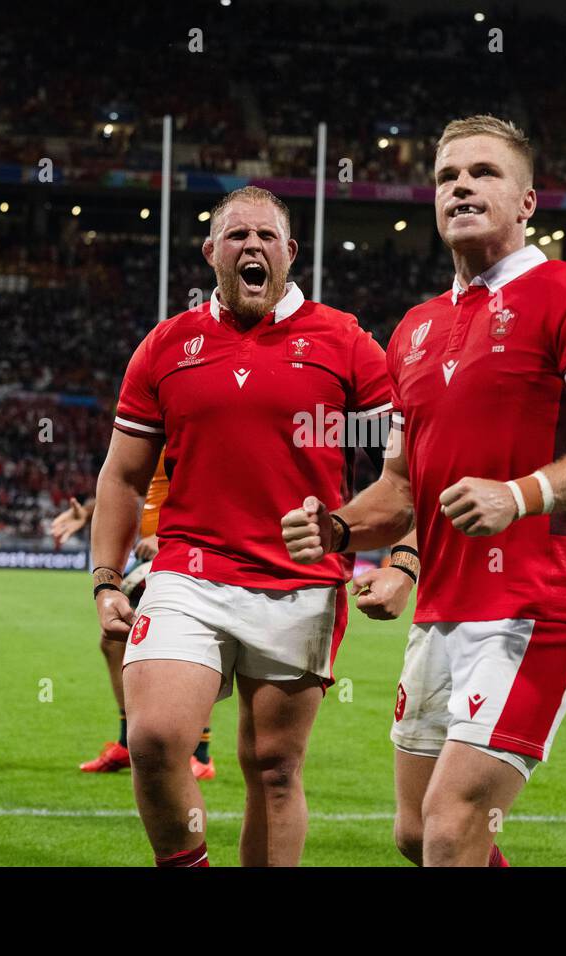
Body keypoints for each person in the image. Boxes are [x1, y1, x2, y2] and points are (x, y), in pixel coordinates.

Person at [282, 115, 566, 866]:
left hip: (537, 605)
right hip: (443, 611)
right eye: (448, 175)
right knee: (417, 835)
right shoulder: (415, 330)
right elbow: (398, 488)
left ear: (526, 203)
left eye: (484, 173)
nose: (460, 185)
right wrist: (338, 530)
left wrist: (519, 495)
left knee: (454, 823)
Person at [91, 186, 391, 866]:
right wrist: (107, 578)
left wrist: (394, 556)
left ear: (289, 252)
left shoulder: (345, 341)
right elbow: (122, 475)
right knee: (156, 739)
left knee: (274, 768)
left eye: (265, 236)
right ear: (210, 254)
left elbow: (405, 468)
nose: (251, 246)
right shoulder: (168, 344)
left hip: (300, 583)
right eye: (235, 236)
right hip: (187, 574)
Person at [50, 457, 216, 778]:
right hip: (151, 556)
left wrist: (169, 535)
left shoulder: (190, 419)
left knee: (190, 648)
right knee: (115, 639)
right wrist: (86, 512)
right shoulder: (147, 425)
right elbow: (127, 482)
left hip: (190, 551)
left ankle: (201, 755)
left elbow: (211, 488)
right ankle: (128, 744)